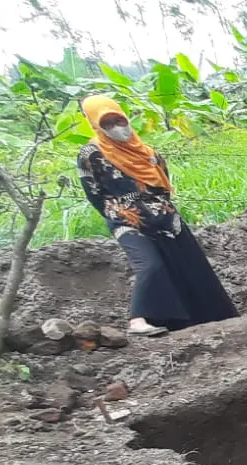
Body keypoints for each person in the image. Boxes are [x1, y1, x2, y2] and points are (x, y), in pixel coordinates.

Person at [77, 96, 237, 336]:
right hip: (127, 221)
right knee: (149, 265)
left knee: (190, 267)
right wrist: (122, 213)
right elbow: (94, 193)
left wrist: (161, 211)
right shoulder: (91, 154)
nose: (116, 127)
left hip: (165, 219)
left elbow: (163, 183)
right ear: (95, 125)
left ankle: (204, 321)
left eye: (118, 120)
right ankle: (137, 320)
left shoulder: (149, 153)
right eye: (107, 123)